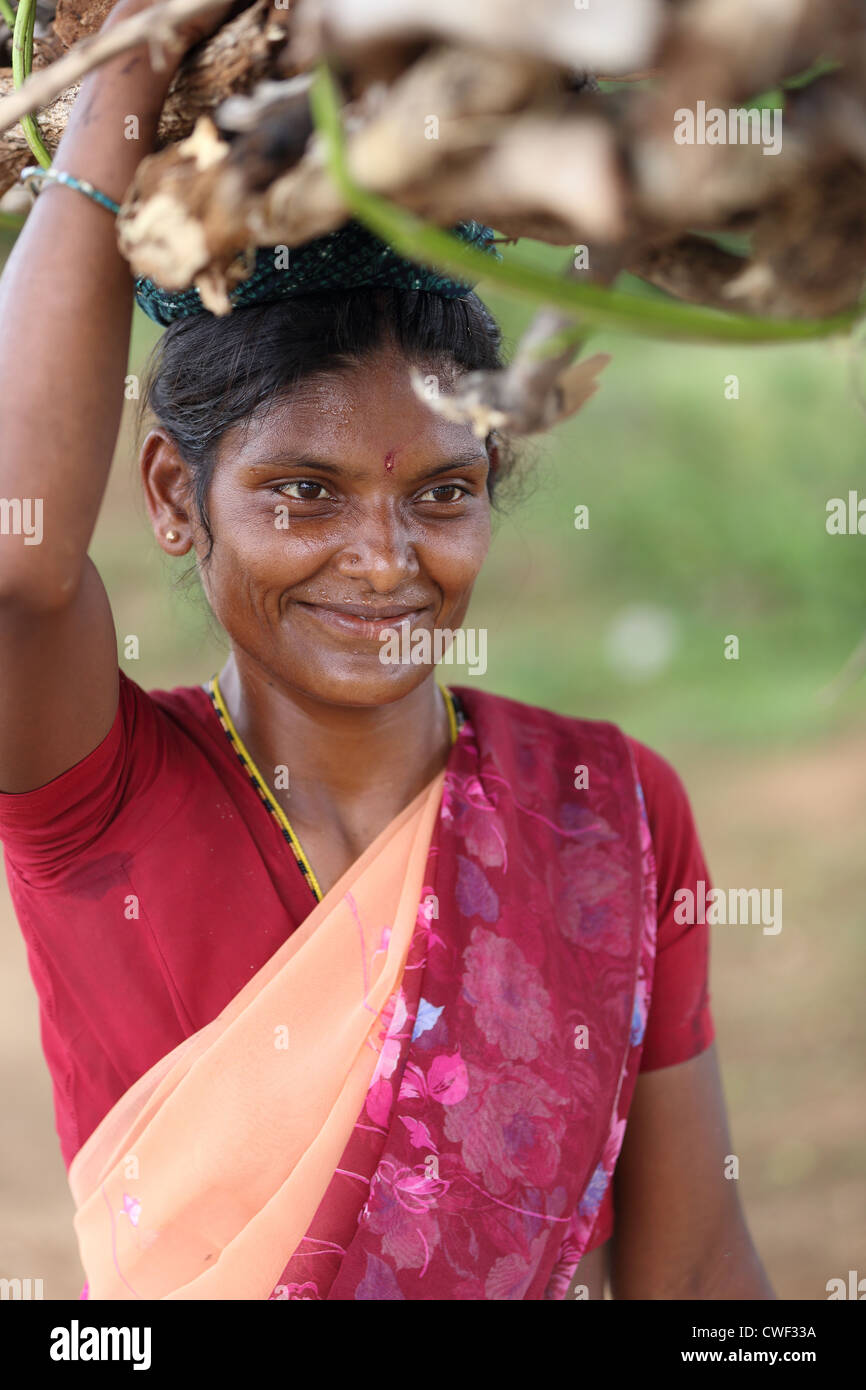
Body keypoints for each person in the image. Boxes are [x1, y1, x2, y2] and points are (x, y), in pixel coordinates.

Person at [0, 0, 774, 1300]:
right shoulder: (100, 797)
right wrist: (122, 70)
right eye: (302, 492)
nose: (381, 559)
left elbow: (692, 1265)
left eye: (438, 492)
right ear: (175, 497)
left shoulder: (609, 811)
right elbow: (18, 570)